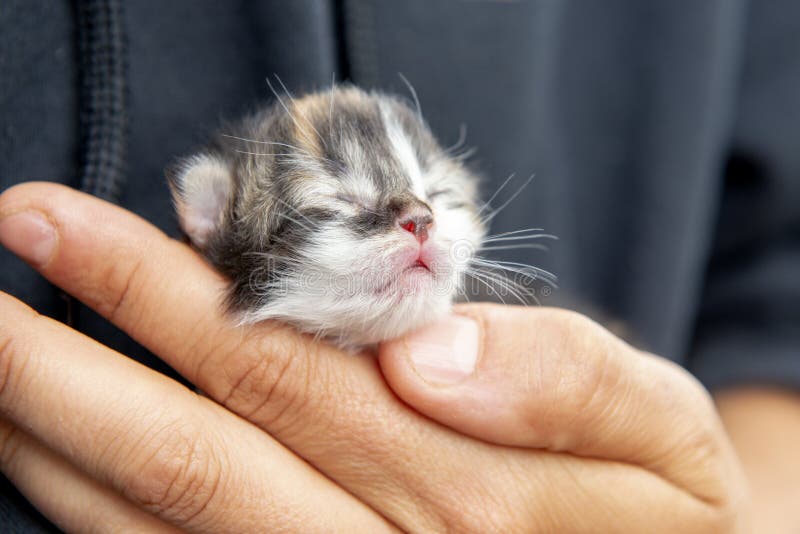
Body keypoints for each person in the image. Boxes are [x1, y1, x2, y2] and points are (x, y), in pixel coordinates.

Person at [0, 1, 798, 532]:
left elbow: (777, 286)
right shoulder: (227, 203)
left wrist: (741, 507)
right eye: (333, 204)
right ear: (213, 223)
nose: (415, 221)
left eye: (436, 197)